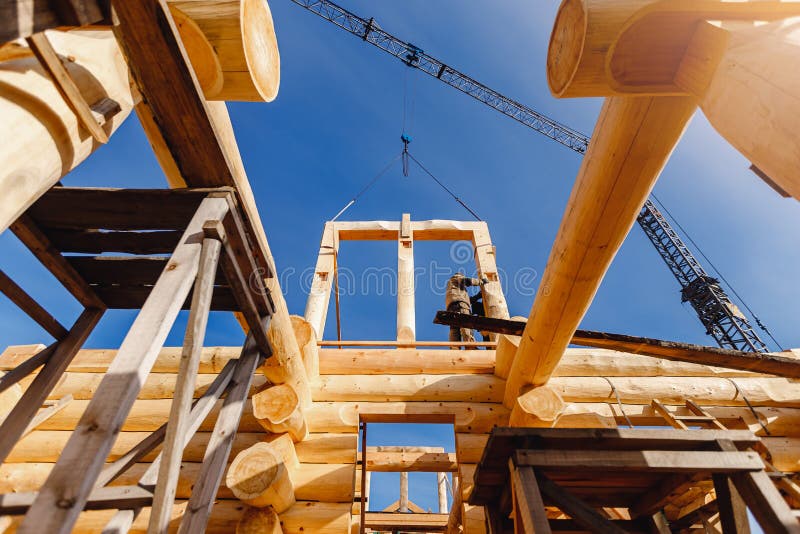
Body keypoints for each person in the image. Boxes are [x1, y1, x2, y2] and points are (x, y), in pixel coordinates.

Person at [445, 273, 485, 346]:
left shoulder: (454, 289)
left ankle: (454, 348)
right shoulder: (455, 278)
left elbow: (467, 300)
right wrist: (481, 281)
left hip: (452, 307)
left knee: (455, 328)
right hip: (460, 305)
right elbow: (466, 281)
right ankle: (470, 345)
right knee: (466, 324)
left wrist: (477, 296)